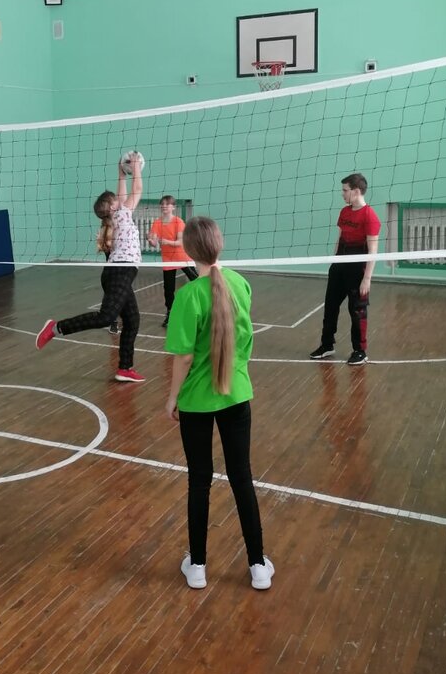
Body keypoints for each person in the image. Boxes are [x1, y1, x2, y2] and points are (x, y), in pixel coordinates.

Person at [164, 217, 273, 591]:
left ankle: (197, 566)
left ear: (189, 251)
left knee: (199, 479)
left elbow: (183, 357)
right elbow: (245, 341)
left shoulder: (187, 297)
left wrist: (172, 397)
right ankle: (258, 566)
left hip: (197, 401)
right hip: (236, 394)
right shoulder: (240, 284)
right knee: (242, 476)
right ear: (219, 244)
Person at [36, 153, 145, 383]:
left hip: (119, 272)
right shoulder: (122, 215)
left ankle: (125, 368)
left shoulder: (116, 216)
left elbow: (122, 195)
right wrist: (135, 168)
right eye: (116, 200)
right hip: (120, 271)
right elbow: (137, 190)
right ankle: (56, 328)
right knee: (106, 317)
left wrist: (121, 174)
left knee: (132, 319)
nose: (120, 199)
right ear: (113, 206)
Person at [309, 174, 381, 366]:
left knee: (357, 311)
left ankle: (360, 351)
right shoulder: (344, 212)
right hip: (339, 266)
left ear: (356, 191)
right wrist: (334, 262)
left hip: (357, 269)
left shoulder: (370, 216)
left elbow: (373, 250)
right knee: (330, 306)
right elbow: (339, 238)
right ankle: (327, 345)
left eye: (345, 190)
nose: (342, 194)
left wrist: (367, 278)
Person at [147, 195, 198, 327]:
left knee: (196, 280)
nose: (164, 206)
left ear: (173, 207)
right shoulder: (157, 223)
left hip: (181, 257)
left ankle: (207, 305)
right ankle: (171, 313)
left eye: (167, 204)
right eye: (162, 204)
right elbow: (154, 242)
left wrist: (167, 242)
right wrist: (151, 240)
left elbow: (180, 241)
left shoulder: (178, 222)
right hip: (168, 259)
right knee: (168, 289)